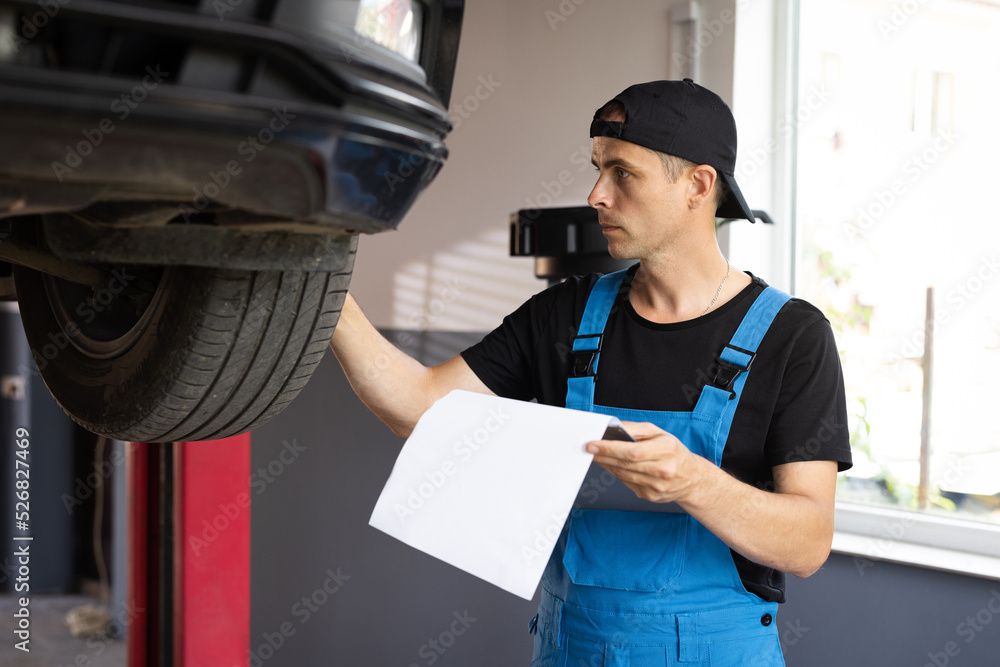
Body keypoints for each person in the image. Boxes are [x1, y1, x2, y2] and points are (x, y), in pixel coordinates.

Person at [330, 79, 853, 666]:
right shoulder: (565, 313)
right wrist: (324, 294)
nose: (596, 194)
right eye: (598, 169)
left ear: (698, 186)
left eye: (623, 173)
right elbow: (418, 408)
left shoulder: (792, 337)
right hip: (571, 648)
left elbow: (808, 542)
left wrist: (692, 483)